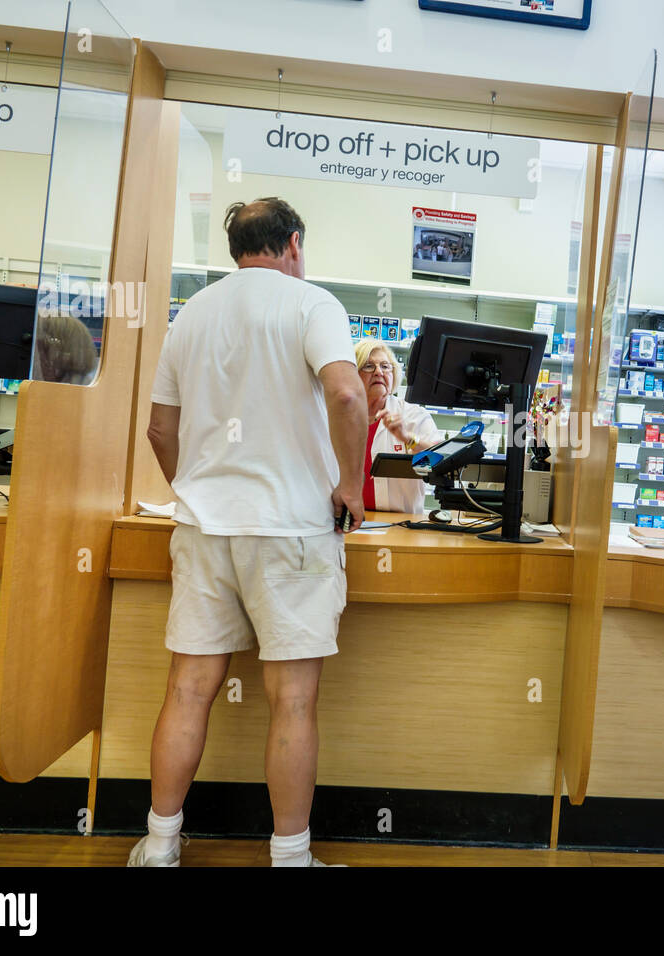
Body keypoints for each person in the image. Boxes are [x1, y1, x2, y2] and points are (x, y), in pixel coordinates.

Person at [129, 197, 367, 868]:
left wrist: (196, 488)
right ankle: (290, 858)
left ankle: (159, 845)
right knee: (291, 700)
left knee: (187, 688)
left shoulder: (193, 314)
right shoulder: (311, 303)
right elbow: (348, 394)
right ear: (294, 242)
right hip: (291, 528)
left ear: (238, 246)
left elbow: (158, 428)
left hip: (206, 530)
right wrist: (349, 487)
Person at [355, 338, 443, 515]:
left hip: (401, 525)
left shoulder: (414, 416)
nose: (379, 372)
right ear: (353, 374)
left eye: (385, 366)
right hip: (349, 522)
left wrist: (408, 438)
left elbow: (440, 465)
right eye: (368, 366)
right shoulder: (338, 417)